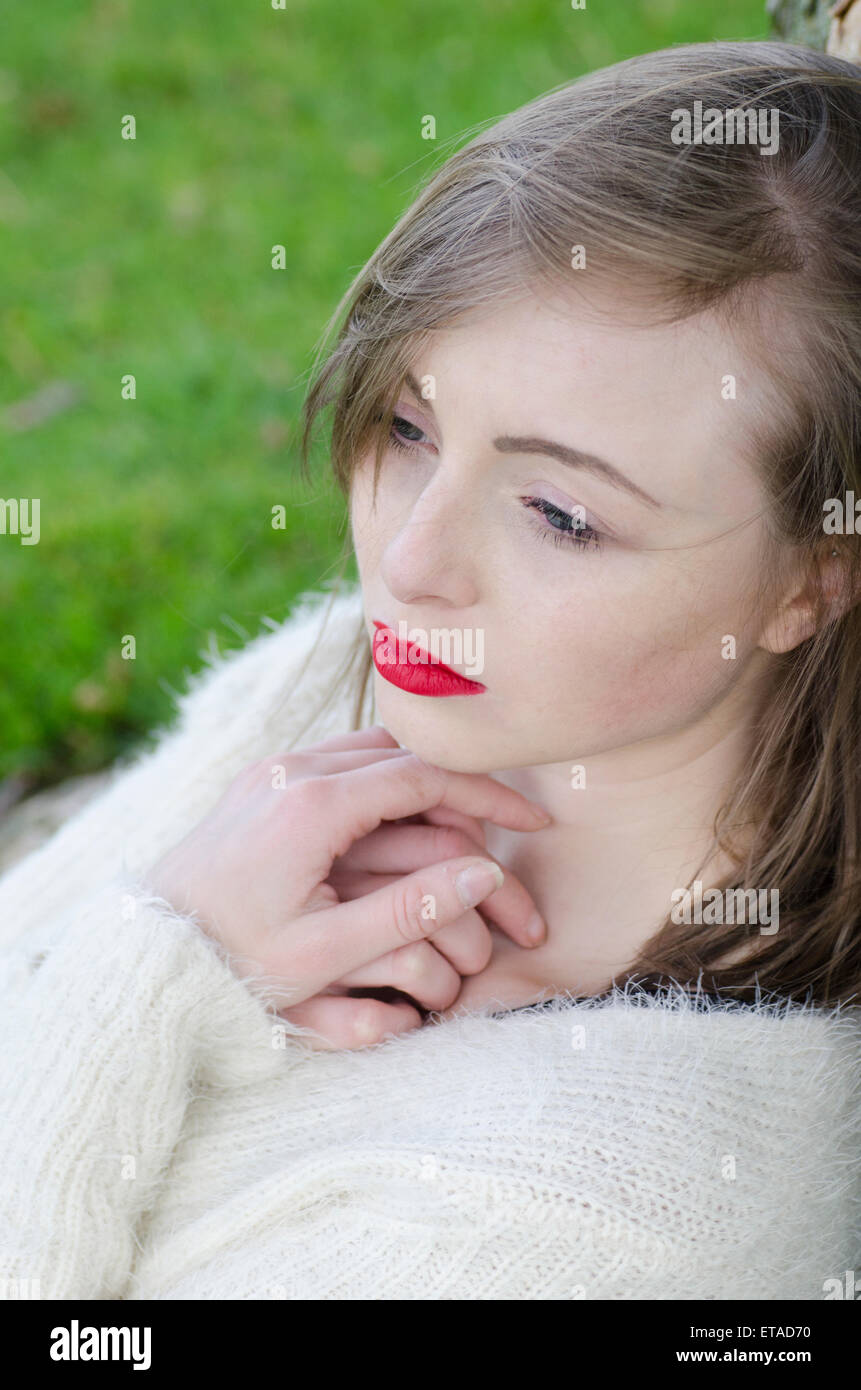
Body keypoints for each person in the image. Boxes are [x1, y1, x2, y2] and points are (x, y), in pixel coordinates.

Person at [1, 39, 859, 1301]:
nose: (408, 559)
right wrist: (184, 943)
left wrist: (158, 968)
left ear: (813, 579)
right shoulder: (338, 681)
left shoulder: (607, 1212)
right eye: (410, 426)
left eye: (560, 515)